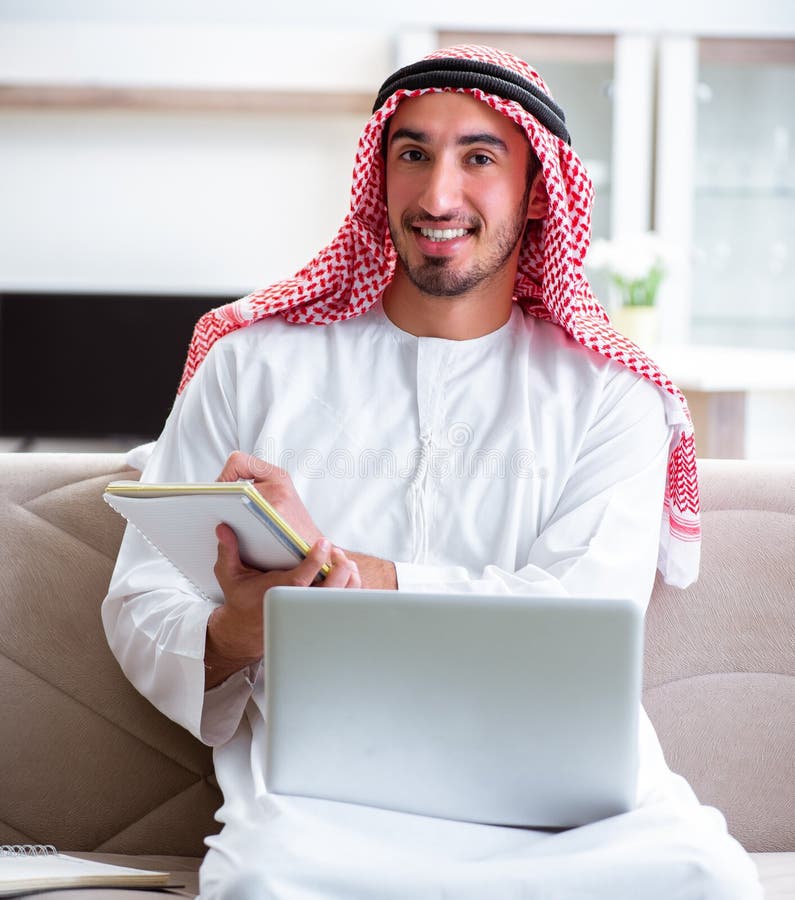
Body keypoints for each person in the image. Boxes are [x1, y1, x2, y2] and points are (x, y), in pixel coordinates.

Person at [103, 44, 761, 899]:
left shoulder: (611, 396)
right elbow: (141, 597)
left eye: (478, 158)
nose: (437, 194)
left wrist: (343, 582)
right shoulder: (251, 366)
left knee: (706, 879)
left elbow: (578, 619)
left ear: (536, 193)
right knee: (258, 884)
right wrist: (244, 630)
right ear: (380, 176)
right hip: (321, 812)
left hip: (582, 817)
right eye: (411, 153)